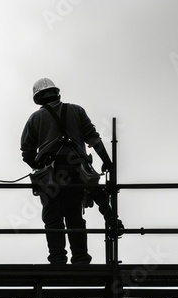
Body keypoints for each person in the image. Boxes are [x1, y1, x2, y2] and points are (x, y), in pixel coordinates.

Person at [20, 78, 122, 265]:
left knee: (53, 219)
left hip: (51, 178)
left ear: (39, 98)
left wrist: (40, 167)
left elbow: (26, 153)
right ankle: (81, 259)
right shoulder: (76, 111)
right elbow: (94, 139)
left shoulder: (36, 118)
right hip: (77, 173)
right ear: (56, 93)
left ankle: (58, 259)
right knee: (74, 217)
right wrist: (108, 162)